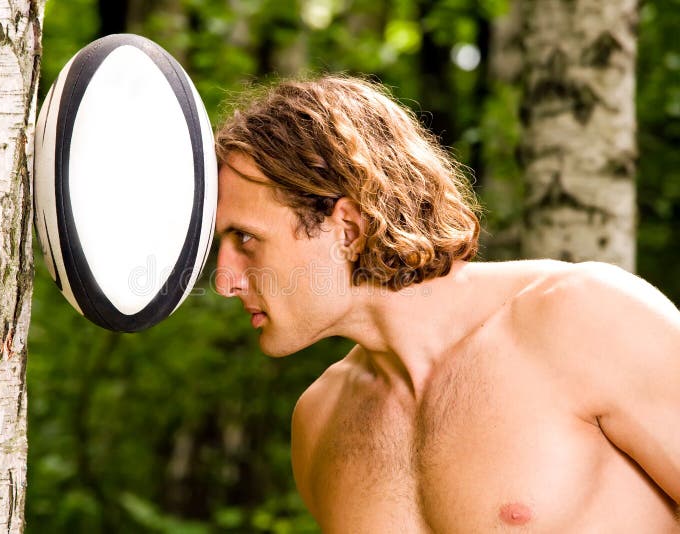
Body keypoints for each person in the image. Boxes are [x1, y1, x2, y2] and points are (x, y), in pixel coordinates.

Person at [212, 75, 680, 532]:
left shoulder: (587, 318)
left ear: (348, 228)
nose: (224, 280)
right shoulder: (320, 422)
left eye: (247, 239)